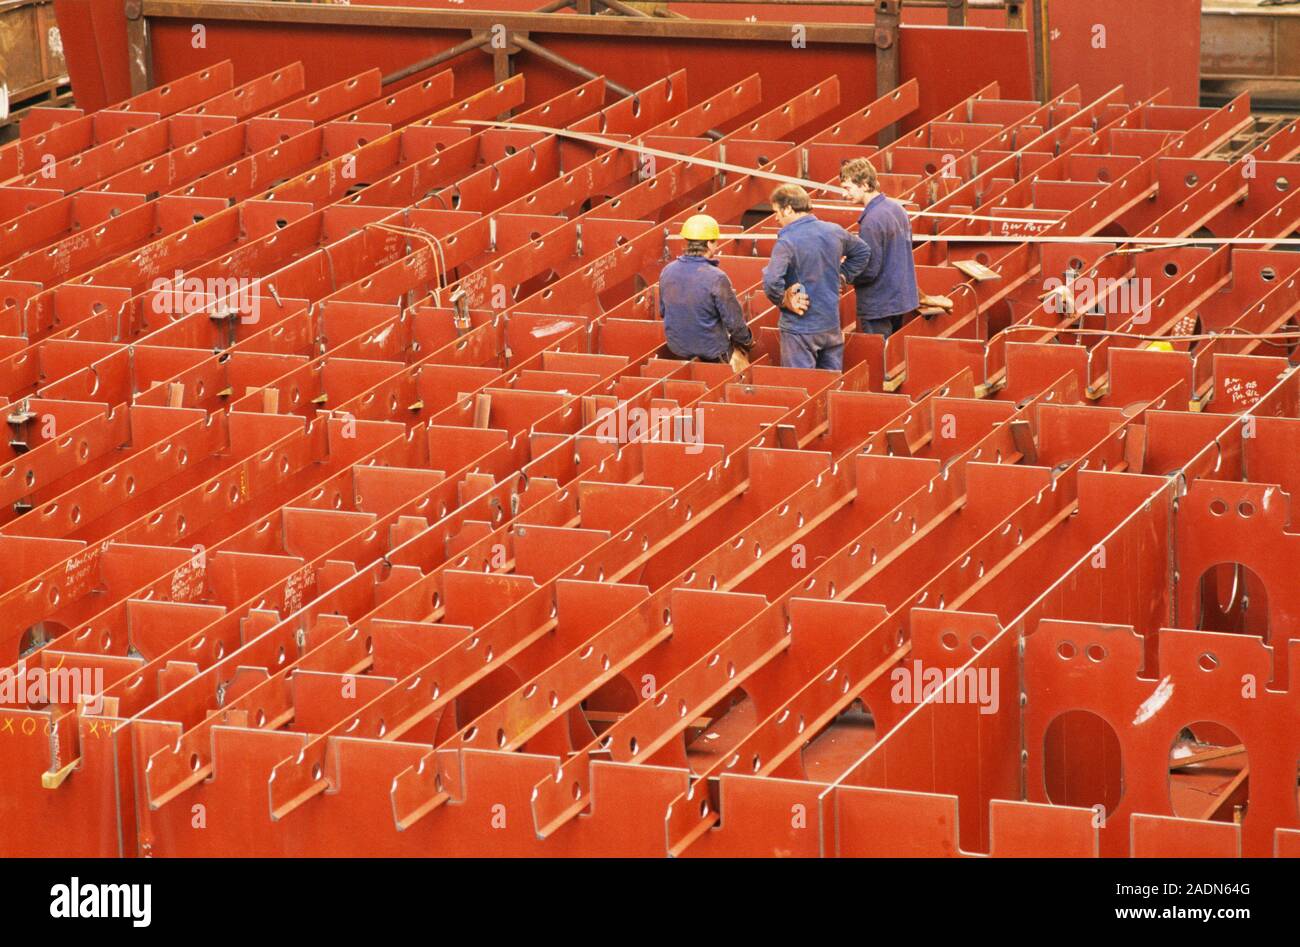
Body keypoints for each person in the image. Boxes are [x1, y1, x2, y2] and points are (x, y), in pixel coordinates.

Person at [761, 184, 870, 370]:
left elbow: (771, 282)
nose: (776, 218)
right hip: (830, 325)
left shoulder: (787, 241)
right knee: (830, 386)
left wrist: (783, 299)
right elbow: (862, 251)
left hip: (800, 330)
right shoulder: (833, 231)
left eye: (777, 212)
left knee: (802, 387)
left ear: (788, 208)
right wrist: (842, 276)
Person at [840, 157, 919, 337]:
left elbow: (869, 269)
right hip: (900, 299)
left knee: (879, 358)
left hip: (879, 302)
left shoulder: (871, 221)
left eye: (847, 188)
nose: (844, 195)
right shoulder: (897, 209)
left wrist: (842, 273)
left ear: (865, 184)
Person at [658, 214, 753, 363]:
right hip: (712, 351)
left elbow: (663, 311)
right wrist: (747, 341)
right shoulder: (717, 278)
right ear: (709, 244)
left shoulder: (667, 271)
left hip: (677, 349)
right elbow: (734, 322)